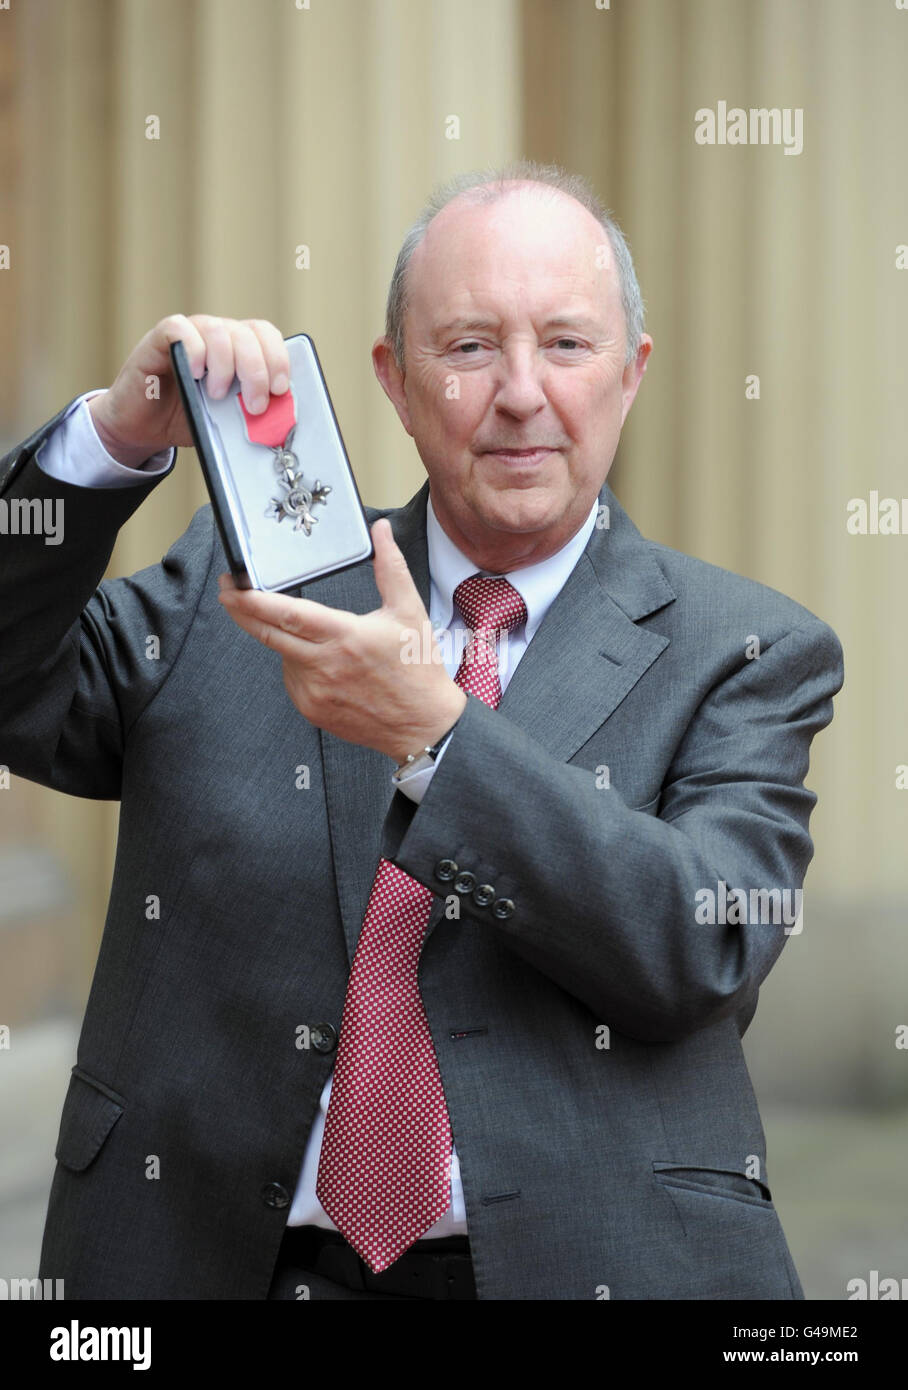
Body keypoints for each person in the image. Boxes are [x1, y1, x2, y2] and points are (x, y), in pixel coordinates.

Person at [0, 162, 843, 1300]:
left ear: (631, 375)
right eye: (467, 347)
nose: (520, 394)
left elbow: (700, 942)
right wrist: (108, 444)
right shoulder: (239, 585)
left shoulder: (745, 648)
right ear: (391, 382)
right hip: (203, 1262)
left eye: (565, 344)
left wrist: (439, 736)